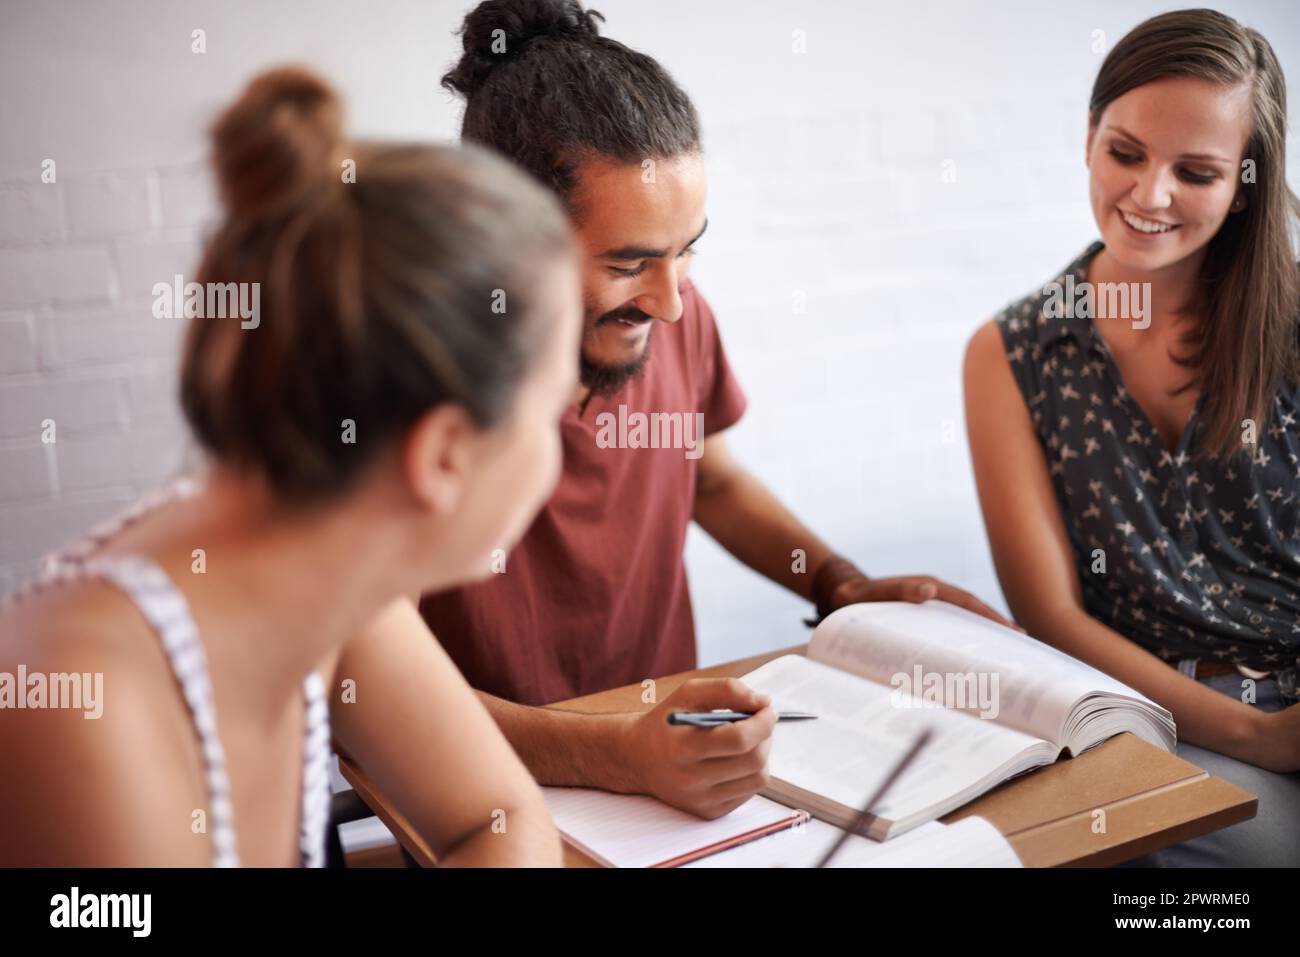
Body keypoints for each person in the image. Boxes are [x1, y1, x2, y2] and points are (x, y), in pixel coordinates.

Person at [362, 0, 1014, 822]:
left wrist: (838, 583)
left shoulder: (669, 317)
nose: (671, 304)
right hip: (482, 797)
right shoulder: (402, 386)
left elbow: (708, 479)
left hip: (664, 774)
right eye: (631, 263)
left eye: (688, 250)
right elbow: (376, 702)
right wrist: (615, 755)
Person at [0, 66, 581, 866]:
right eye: (550, 413)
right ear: (444, 455)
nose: (558, 451)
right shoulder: (86, 712)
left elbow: (500, 816)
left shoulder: (334, 577)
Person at [964, 8, 1300, 865]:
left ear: (1246, 182)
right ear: (1088, 139)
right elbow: (1050, 613)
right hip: (1145, 719)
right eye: (1126, 153)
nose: (1150, 196)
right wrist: (1255, 738)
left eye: (1196, 171)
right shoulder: (1011, 353)